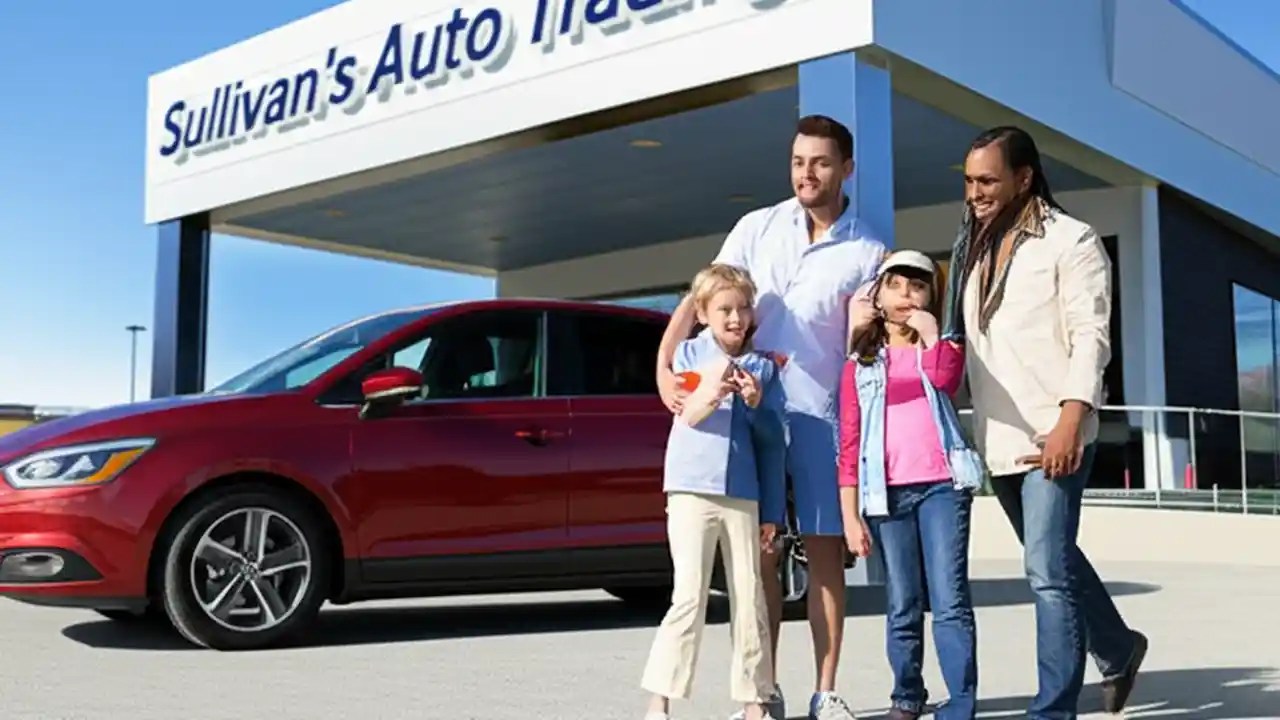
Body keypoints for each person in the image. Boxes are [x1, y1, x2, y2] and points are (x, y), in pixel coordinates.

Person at [656, 114, 886, 720]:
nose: (807, 174)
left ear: (846, 169)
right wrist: (664, 367)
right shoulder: (756, 226)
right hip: (746, 419)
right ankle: (763, 692)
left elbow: (864, 345)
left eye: (820, 162)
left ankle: (826, 689)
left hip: (817, 418)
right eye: (797, 162)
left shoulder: (868, 250)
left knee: (823, 555)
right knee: (756, 559)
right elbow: (701, 298)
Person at [940, 125, 1149, 718]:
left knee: (1045, 574)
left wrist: (1070, 419)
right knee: (1054, 559)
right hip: (999, 437)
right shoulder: (973, 247)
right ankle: (1119, 647)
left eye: (987, 180)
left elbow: (1091, 336)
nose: (975, 191)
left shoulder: (1072, 241)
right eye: (969, 181)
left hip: (1053, 430)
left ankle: (1053, 708)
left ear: (1024, 177)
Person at [640, 263, 788, 720]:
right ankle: (659, 700)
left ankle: (753, 702)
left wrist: (774, 514)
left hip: (743, 495)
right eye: (724, 309)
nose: (735, 318)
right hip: (689, 489)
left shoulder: (763, 367)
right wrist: (715, 389)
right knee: (689, 595)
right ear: (703, 313)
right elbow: (688, 415)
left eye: (743, 308)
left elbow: (772, 443)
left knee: (750, 596)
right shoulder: (687, 357)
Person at [836, 250, 979, 720]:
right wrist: (849, 516)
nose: (906, 296)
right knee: (902, 600)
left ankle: (960, 704)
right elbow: (850, 441)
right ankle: (907, 696)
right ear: (878, 294)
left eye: (916, 287)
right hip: (886, 493)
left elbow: (943, 380)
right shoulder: (860, 362)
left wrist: (932, 332)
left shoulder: (941, 348)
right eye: (895, 285)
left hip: (943, 485)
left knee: (950, 597)